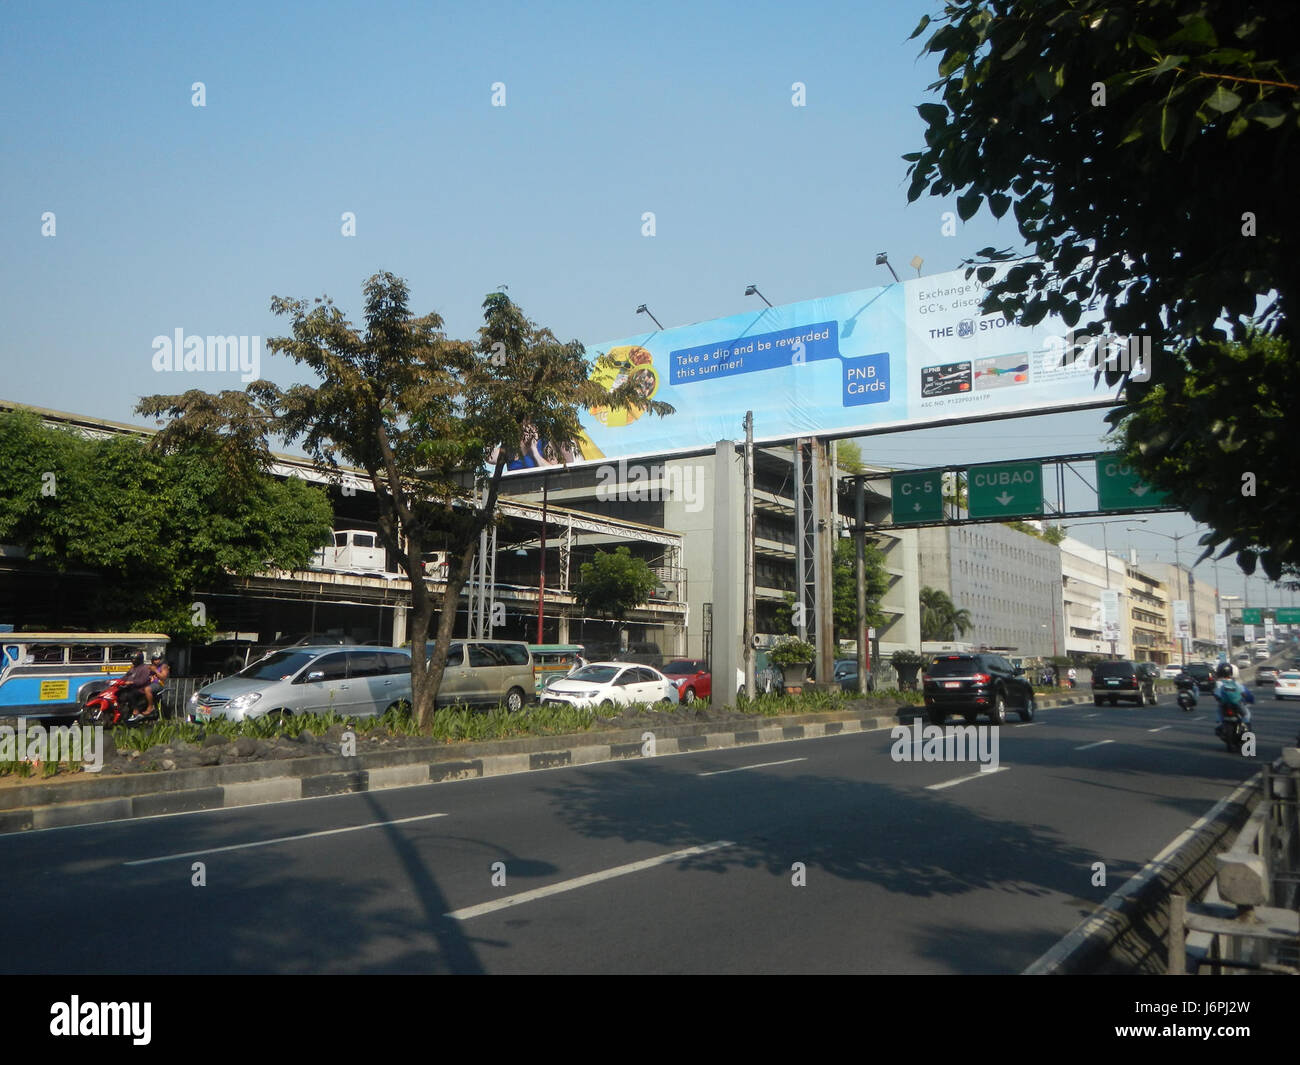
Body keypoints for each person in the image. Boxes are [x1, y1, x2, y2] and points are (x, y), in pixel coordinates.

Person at [1212, 662, 1253, 731]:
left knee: (1219, 710)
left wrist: (1219, 699)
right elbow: (1245, 693)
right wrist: (1249, 699)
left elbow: (1216, 694)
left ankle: (1220, 723)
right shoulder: (1235, 683)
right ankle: (1246, 728)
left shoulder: (1218, 683)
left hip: (1224, 704)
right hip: (1237, 704)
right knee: (1247, 714)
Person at [120, 652, 155, 720]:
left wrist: (132, 682)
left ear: (139, 659)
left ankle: (136, 710)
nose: (133, 661)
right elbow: (125, 677)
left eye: (135, 659)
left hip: (141, 689)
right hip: (131, 687)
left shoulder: (145, 668)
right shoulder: (132, 668)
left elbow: (143, 681)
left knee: (131, 694)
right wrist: (115, 681)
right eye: (132, 659)